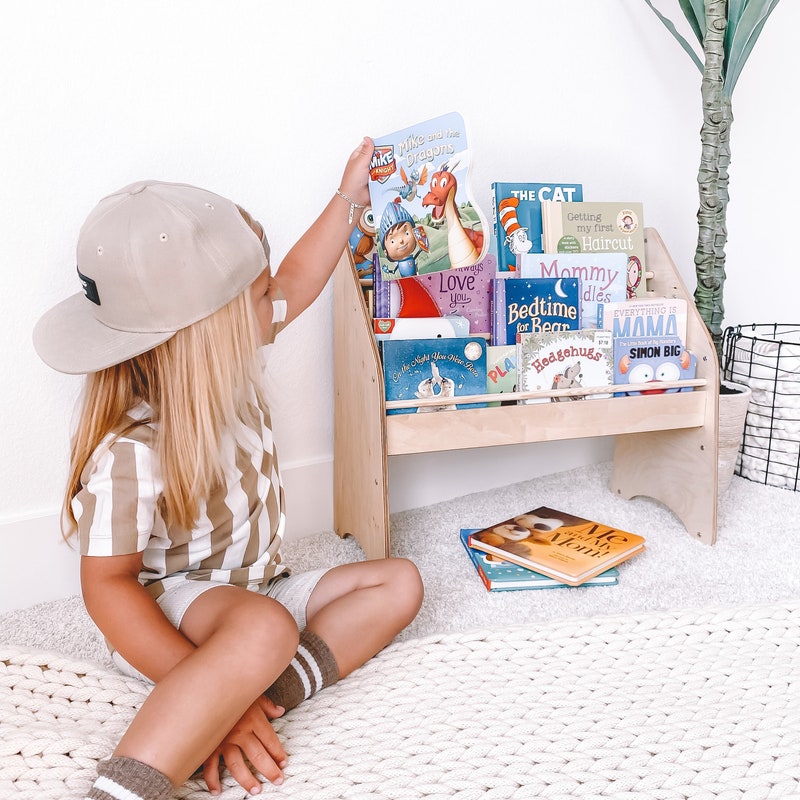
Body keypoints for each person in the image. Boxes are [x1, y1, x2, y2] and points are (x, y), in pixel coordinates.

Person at [32, 138, 424, 800]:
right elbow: (108, 589)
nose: (278, 298)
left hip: (259, 588)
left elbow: (298, 277)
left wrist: (347, 199)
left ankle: (245, 696)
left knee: (398, 583)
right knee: (265, 628)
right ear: (214, 330)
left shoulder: (225, 348)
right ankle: (126, 783)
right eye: (261, 291)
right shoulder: (132, 451)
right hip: (175, 608)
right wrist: (188, 666)